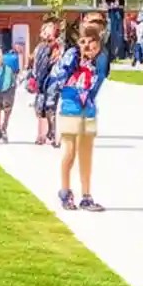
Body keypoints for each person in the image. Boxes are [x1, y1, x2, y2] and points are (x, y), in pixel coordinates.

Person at [50, 22, 108, 212]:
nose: (90, 50)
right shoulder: (71, 57)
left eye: (94, 47)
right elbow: (58, 77)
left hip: (88, 110)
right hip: (70, 108)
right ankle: (65, 191)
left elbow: (97, 84)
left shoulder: (99, 62)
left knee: (86, 153)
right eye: (86, 44)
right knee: (69, 151)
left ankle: (86, 194)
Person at [29, 17, 62, 147]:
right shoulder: (40, 47)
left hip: (52, 81)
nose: (45, 33)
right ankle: (41, 135)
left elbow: (55, 63)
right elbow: (35, 63)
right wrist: (33, 77)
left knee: (50, 108)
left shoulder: (56, 47)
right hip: (41, 82)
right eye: (44, 30)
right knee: (40, 110)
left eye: (49, 30)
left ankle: (53, 135)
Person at [0, 45, 21, 143]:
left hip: (8, 88)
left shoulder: (11, 60)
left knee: (5, 110)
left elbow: (16, 72)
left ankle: (3, 128)